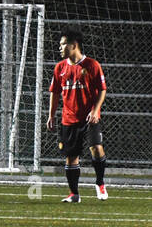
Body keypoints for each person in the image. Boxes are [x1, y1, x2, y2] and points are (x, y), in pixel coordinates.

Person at [45, 30, 108, 202]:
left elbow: (102, 89)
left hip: (89, 117)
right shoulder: (60, 68)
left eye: (63, 44)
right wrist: (51, 115)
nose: (60, 47)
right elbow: (55, 92)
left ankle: (100, 183)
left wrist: (95, 110)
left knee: (96, 147)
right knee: (71, 156)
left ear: (74, 45)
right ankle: (74, 194)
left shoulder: (92, 65)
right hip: (68, 118)